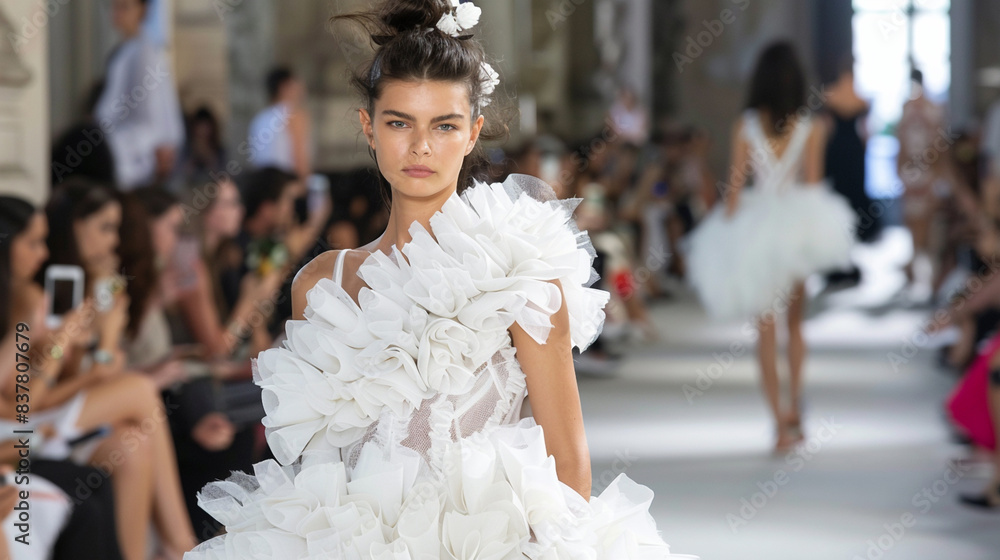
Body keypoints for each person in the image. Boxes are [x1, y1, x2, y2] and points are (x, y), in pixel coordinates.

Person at [185, 1, 694, 558]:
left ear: (474, 132)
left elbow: (569, 465)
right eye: (399, 122)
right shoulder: (320, 286)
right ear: (369, 128)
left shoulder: (522, 276)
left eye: (444, 125)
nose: (421, 147)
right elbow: (316, 461)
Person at [685, 42, 856, 453]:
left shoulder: (745, 126)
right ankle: (796, 405)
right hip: (798, 225)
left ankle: (778, 423)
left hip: (756, 226)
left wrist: (724, 229)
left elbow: (733, 194)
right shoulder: (811, 127)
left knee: (765, 330)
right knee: (796, 325)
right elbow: (812, 188)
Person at [95, 0, 184, 190]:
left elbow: (149, 112)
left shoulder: (145, 52)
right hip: (115, 146)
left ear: (142, 10)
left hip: (133, 155)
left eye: (125, 7)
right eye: (115, 7)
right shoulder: (125, 51)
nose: (118, 13)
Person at [896, 68, 948, 303]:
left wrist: (935, 174)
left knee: (927, 224)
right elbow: (902, 143)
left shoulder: (929, 109)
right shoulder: (913, 108)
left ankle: (927, 274)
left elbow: (938, 144)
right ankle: (917, 270)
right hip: (916, 173)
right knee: (915, 224)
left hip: (924, 173)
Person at [247, 67, 313, 180]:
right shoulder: (293, 114)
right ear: (284, 87)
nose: (300, 88)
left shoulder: (259, 118)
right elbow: (300, 157)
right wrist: (305, 185)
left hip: (262, 185)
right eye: (295, 83)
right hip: (286, 186)